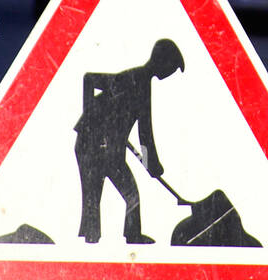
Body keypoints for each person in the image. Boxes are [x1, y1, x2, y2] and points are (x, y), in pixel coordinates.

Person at [74, 38, 185, 244]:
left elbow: (145, 132)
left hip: (108, 147)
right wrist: (91, 121)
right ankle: (96, 242)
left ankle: (129, 236)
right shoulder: (133, 78)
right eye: (171, 68)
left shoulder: (143, 84)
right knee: (94, 198)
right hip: (90, 145)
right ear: (163, 62)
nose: (170, 73)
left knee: (127, 194)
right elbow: (89, 79)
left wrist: (152, 164)